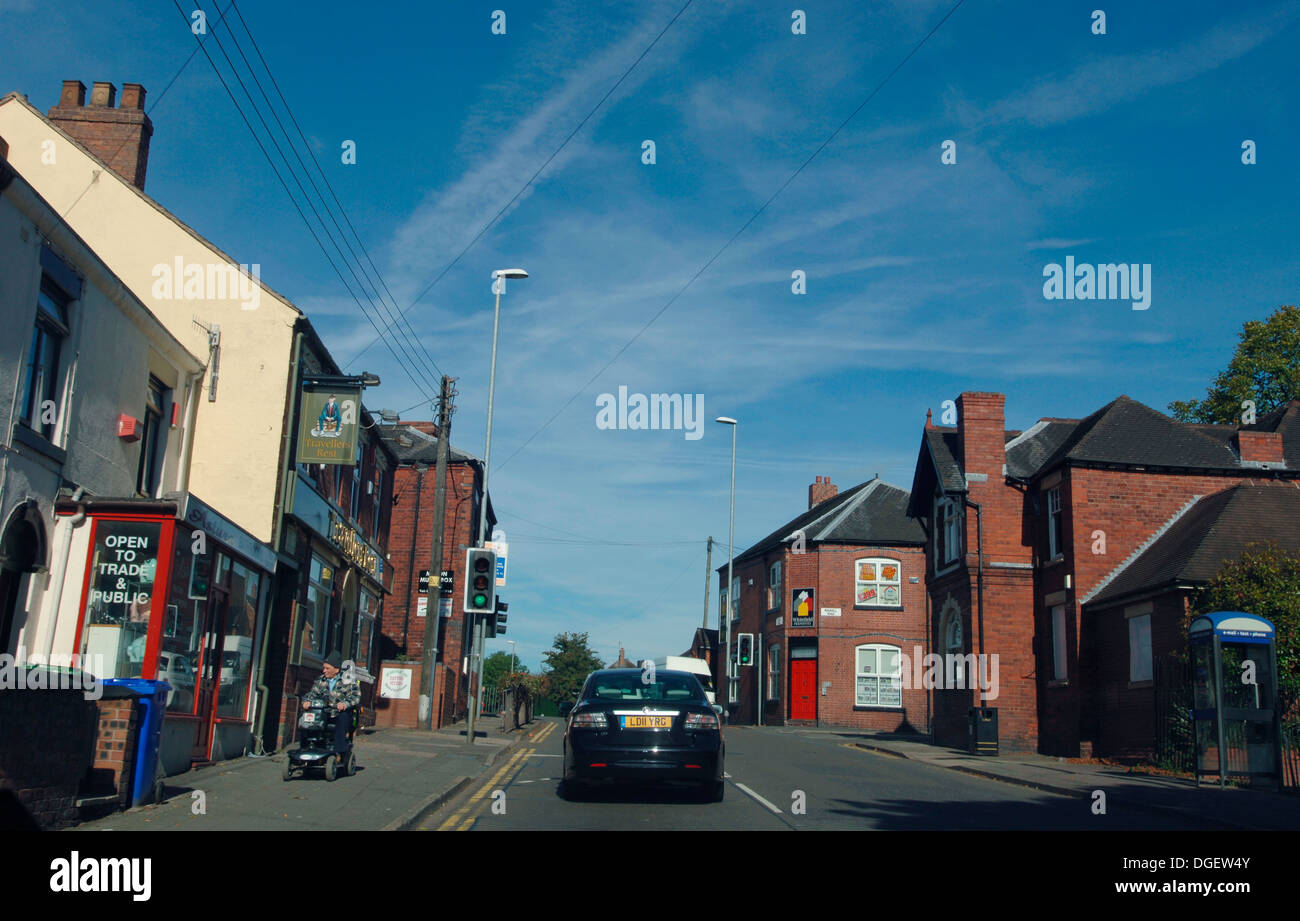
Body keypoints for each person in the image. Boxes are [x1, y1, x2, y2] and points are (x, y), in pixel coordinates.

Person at [302, 651, 359, 753]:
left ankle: (338, 752)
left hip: (339, 713)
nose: (324, 671)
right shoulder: (321, 680)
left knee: (343, 718)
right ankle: (306, 749)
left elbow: (355, 697)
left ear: (336, 670)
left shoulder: (349, 680)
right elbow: (312, 694)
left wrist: (345, 704)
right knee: (306, 720)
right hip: (323, 713)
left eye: (327, 668)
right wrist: (307, 701)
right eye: (324, 668)